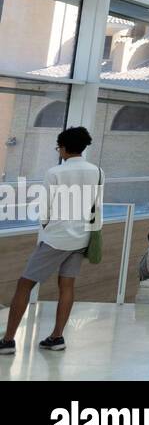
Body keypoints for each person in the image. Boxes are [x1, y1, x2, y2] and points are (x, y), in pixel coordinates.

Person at [0, 127, 103, 355]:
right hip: (82, 237)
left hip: (56, 238)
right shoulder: (97, 171)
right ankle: (57, 337)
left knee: (24, 284)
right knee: (67, 285)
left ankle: (8, 340)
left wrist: (48, 227)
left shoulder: (55, 172)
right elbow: (96, 205)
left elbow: (45, 211)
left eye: (59, 147)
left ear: (64, 148)